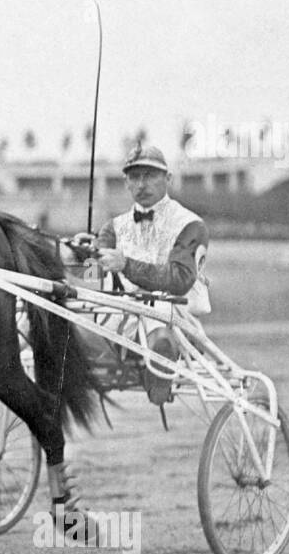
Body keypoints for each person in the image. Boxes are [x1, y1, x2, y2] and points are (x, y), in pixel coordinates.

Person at [70, 144, 210, 405]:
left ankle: (160, 362)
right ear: (126, 182)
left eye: (149, 175)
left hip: (174, 314)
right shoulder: (113, 227)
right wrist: (84, 255)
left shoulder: (190, 225)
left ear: (167, 178)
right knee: (81, 317)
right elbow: (92, 279)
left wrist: (125, 265)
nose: (141, 184)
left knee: (158, 321)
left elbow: (179, 280)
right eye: (134, 177)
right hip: (122, 314)